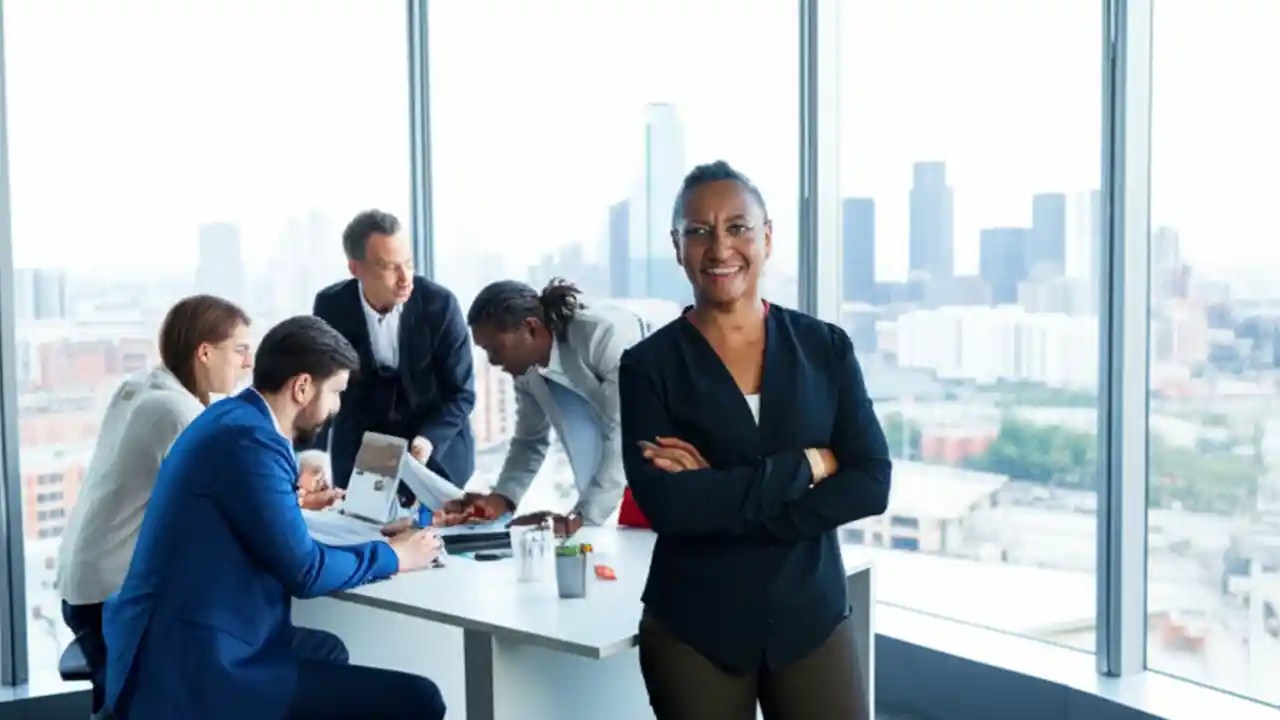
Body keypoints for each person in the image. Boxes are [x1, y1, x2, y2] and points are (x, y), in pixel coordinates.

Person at [619, 161, 892, 720]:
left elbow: (871, 483)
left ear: (766, 238)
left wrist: (723, 496)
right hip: (696, 628)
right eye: (699, 230)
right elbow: (669, 507)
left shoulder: (825, 348)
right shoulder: (648, 366)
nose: (720, 247)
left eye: (738, 227)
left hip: (811, 618)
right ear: (677, 246)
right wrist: (809, 464)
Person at [102, 316, 447, 720]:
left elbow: (269, 525)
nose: (336, 408)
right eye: (335, 392)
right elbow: (306, 571)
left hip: (187, 633)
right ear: (303, 387)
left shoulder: (233, 418)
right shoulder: (251, 441)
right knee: (421, 699)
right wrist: (394, 556)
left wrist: (367, 538)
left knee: (327, 650)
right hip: (199, 665)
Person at [54, 296, 262, 714]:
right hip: (109, 596)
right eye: (240, 350)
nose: (249, 363)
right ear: (205, 352)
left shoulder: (144, 387)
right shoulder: (174, 411)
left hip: (85, 584)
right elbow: (226, 507)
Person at [441, 278, 647, 535]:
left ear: (531, 328)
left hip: (664, 454)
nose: (492, 361)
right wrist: (501, 499)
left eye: (496, 348)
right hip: (616, 478)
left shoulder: (602, 334)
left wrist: (580, 519)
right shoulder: (526, 371)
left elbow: (622, 433)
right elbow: (530, 441)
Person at [312, 209, 475, 498]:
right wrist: (314, 454)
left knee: (436, 535)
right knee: (362, 534)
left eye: (409, 264)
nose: (404, 279)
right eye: (389, 267)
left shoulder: (440, 306)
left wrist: (428, 440)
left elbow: (461, 393)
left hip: (435, 446)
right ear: (355, 268)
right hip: (362, 448)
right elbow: (323, 387)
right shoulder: (331, 307)